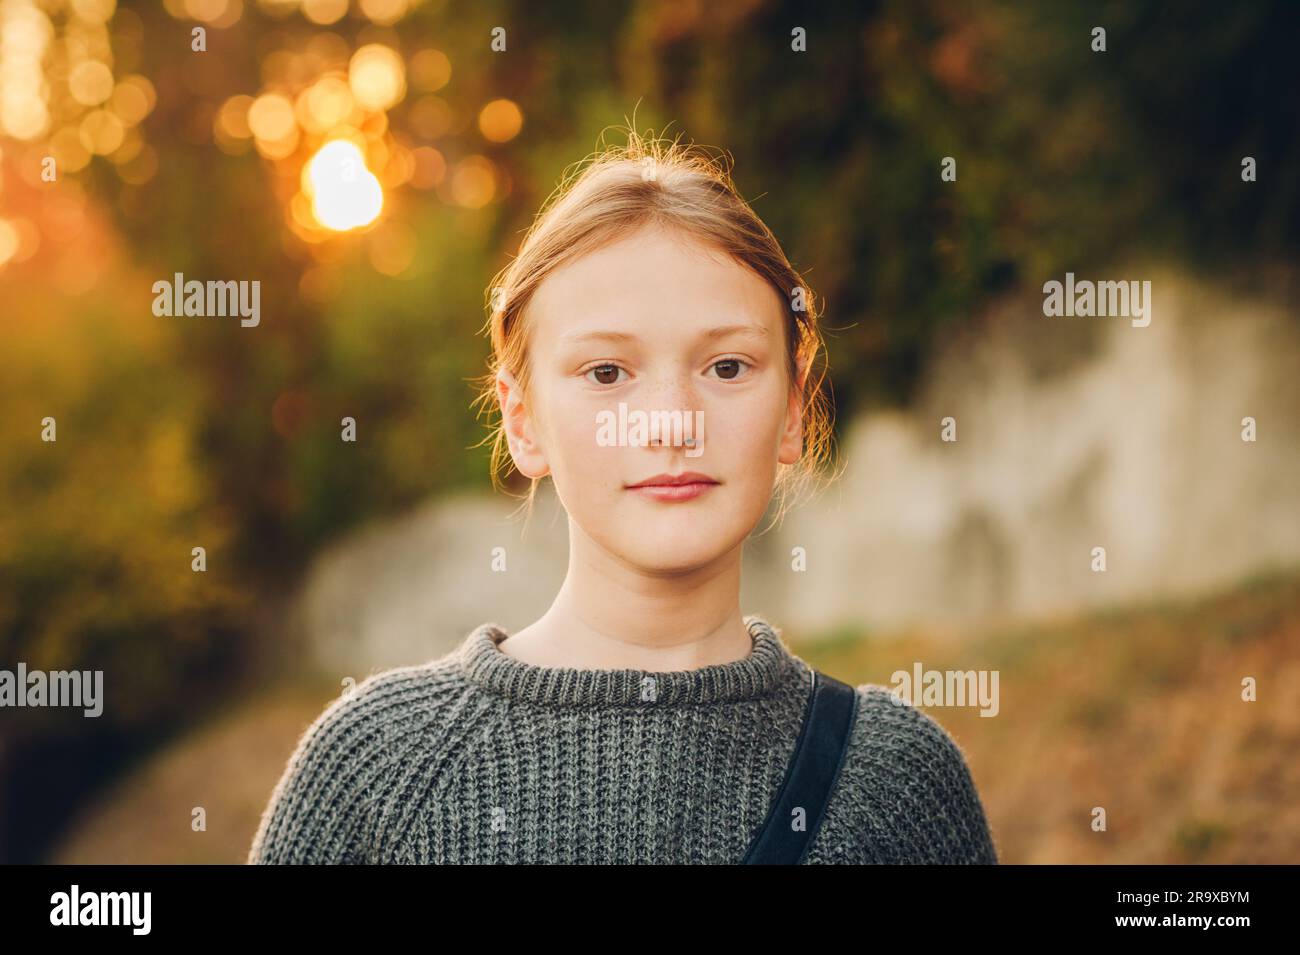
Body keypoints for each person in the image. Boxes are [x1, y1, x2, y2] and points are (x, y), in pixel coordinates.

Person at [248, 130, 998, 864]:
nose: (672, 422)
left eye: (728, 366)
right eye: (607, 373)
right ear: (523, 421)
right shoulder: (376, 770)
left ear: (794, 410)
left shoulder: (898, 782)